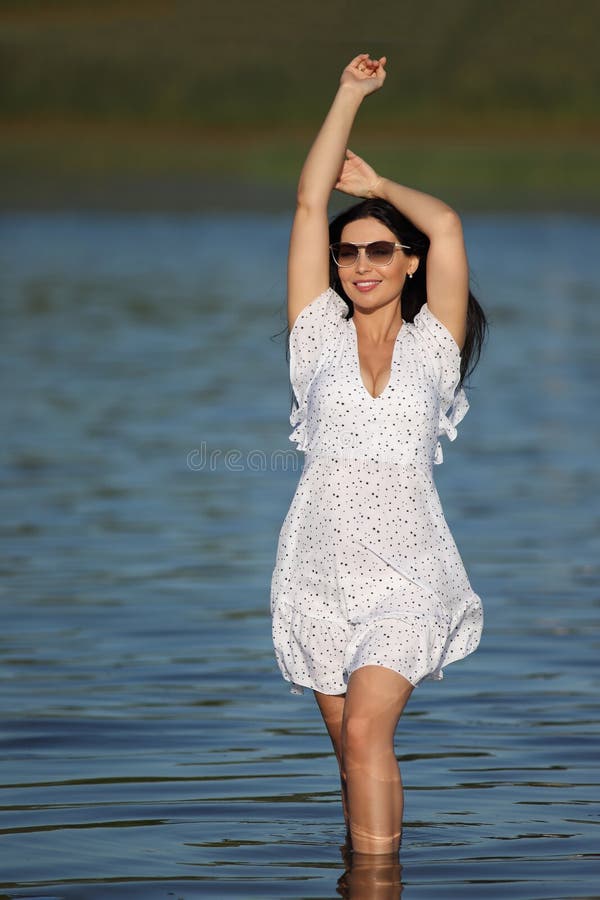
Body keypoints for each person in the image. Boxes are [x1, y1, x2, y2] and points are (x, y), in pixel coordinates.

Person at [270, 53, 487, 857]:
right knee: (356, 753)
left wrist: (384, 187)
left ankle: (374, 882)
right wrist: (348, 94)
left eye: (380, 251)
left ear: (409, 263)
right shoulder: (314, 339)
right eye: (349, 252)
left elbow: (449, 224)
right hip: (317, 572)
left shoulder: (436, 348)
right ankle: (374, 875)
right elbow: (305, 202)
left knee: (365, 730)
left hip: (409, 572)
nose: (362, 264)